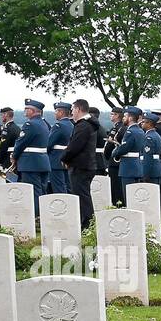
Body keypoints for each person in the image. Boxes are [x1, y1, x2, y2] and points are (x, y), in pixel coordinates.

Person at [63, 98, 99, 230]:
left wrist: (64, 158)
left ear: (78, 109)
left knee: (82, 196)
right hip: (85, 165)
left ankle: (87, 224)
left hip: (81, 166)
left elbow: (74, 146)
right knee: (83, 195)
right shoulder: (87, 124)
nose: (71, 112)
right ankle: (86, 222)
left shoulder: (83, 125)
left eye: (72, 109)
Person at [12, 99, 51, 213]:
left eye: (26, 109)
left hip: (31, 163)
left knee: (33, 192)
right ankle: (43, 215)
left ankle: (36, 216)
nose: (24, 111)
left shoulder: (30, 124)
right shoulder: (43, 123)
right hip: (42, 161)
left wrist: (14, 156)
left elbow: (21, 143)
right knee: (42, 191)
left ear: (32, 111)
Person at [110, 105, 146, 204]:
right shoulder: (140, 130)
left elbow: (124, 148)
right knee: (135, 196)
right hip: (136, 165)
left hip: (128, 166)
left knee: (128, 196)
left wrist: (114, 153)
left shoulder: (130, 131)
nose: (123, 118)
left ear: (130, 118)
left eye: (125, 116)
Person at [47, 101, 73, 194]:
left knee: (58, 187)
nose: (55, 114)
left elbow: (49, 143)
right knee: (68, 186)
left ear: (61, 112)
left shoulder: (58, 126)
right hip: (67, 159)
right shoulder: (71, 125)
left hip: (56, 160)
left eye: (56, 111)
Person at [141, 111, 161, 205]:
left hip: (152, 169)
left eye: (143, 122)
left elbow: (148, 158)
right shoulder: (155, 135)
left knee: (153, 195)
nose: (142, 124)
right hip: (156, 167)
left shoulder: (149, 137)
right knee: (156, 193)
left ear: (149, 124)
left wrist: (145, 174)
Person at [105, 107, 126, 206]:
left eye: (112, 114)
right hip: (118, 160)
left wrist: (107, 156)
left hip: (115, 161)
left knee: (116, 186)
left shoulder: (117, 128)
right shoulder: (120, 127)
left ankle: (118, 203)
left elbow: (110, 145)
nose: (110, 116)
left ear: (117, 115)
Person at [0, 107, 19, 180]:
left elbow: (3, 146)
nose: (1, 117)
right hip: (16, 157)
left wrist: (0, 160)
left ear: (6, 115)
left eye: (1, 115)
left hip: (8, 158)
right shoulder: (17, 128)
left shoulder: (7, 129)